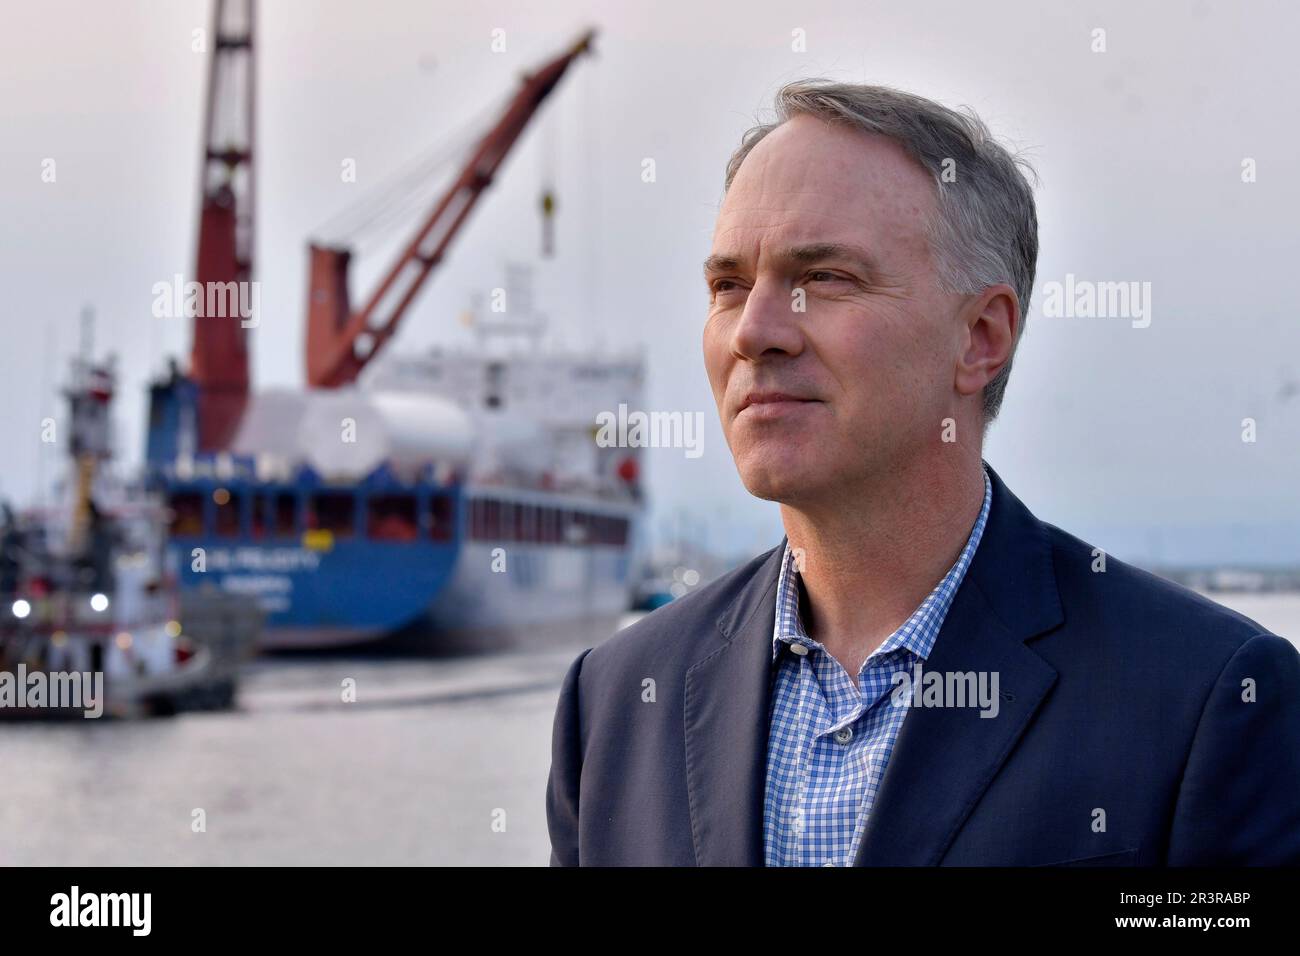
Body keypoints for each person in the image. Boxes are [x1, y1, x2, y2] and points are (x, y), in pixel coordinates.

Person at [544, 80, 1300, 866]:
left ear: (980, 337)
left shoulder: (1202, 700)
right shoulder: (615, 702)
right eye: (728, 286)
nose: (754, 332)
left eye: (823, 278)